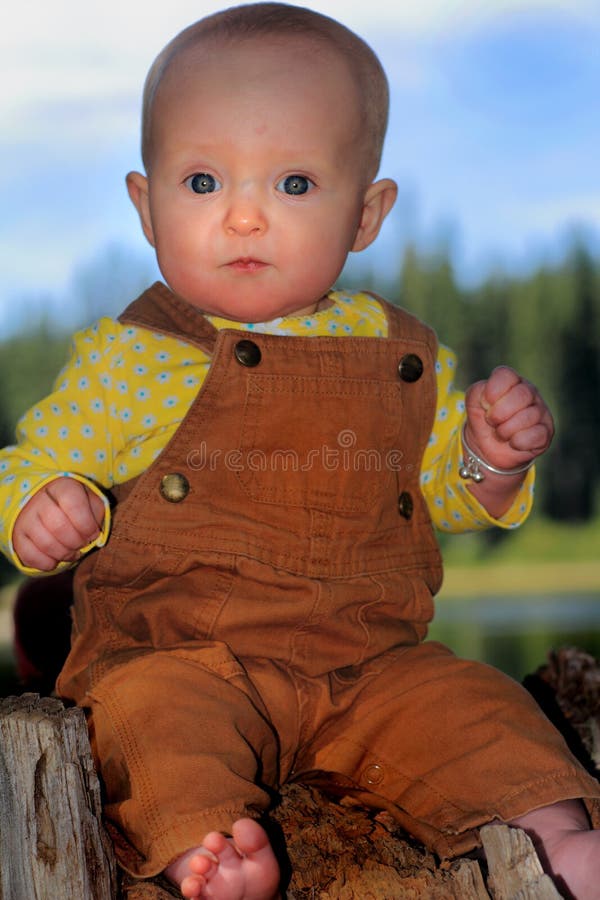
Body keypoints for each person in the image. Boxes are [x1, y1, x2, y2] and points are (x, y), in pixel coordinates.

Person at [1, 4, 599, 898]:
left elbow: (443, 490)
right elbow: (33, 458)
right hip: (181, 655)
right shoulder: (136, 356)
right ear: (146, 204)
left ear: (366, 214)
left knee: (478, 709)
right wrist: (45, 503)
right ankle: (207, 849)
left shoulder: (398, 353)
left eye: (293, 184)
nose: (244, 217)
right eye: (203, 181)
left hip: (373, 667)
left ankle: (558, 841)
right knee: (144, 720)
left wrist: (490, 457)